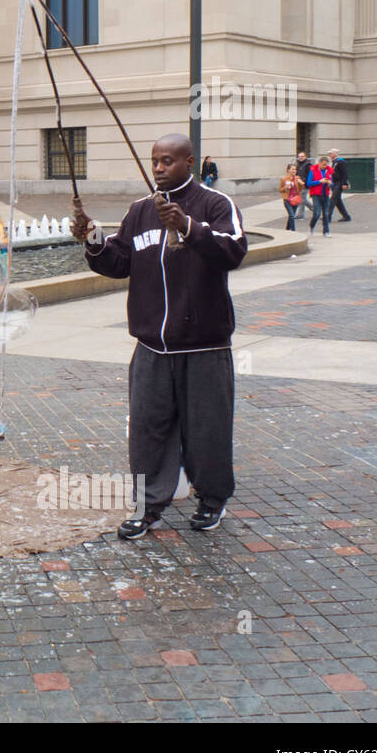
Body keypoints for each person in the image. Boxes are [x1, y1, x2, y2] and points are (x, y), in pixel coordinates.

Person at [71, 132, 247, 540]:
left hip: (205, 345)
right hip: (151, 346)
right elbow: (118, 263)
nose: (159, 168)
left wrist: (187, 226)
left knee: (207, 428)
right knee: (148, 430)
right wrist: (94, 239)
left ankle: (212, 498)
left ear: (189, 162)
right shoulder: (139, 212)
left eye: (168, 161)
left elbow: (234, 250)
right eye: (155, 161)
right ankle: (149, 505)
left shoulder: (215, 205)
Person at [306, 154, 334, 237]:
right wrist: (319, 181)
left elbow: (332, 184)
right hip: (316, 194)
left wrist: (330, 183)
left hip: (325, 194)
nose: (325, 166)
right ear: (319, 163)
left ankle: (326, 231)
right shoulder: (313, 170)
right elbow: (308, 183)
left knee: (325, 213)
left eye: (326, 165)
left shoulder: (329, 171)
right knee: (317, 213)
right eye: (323, 164)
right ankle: (311, 226)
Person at [279, 163, 305, 232]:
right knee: (292, 215)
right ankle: (293, 231)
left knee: (291, 216)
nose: (294, 171)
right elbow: (280, 190)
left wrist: (301, 184)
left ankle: (287, 230)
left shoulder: (297, 178)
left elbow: (299, 189)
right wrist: (285, 187)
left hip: (295, 200)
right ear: (288, 170)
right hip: (287, 200)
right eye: (292, 169)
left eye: (295, 169)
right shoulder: (283, 179)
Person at [329, 148, 352, 222]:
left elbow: (344, 173)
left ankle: (328, 216)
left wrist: (345, 183)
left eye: (331, 153)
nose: (329, 155)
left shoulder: (340, 162)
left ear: (335, 154)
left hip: (339, 183)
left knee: (333, 200)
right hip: (335, 183)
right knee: (338, 201)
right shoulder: (335, 162)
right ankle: (346, 216)